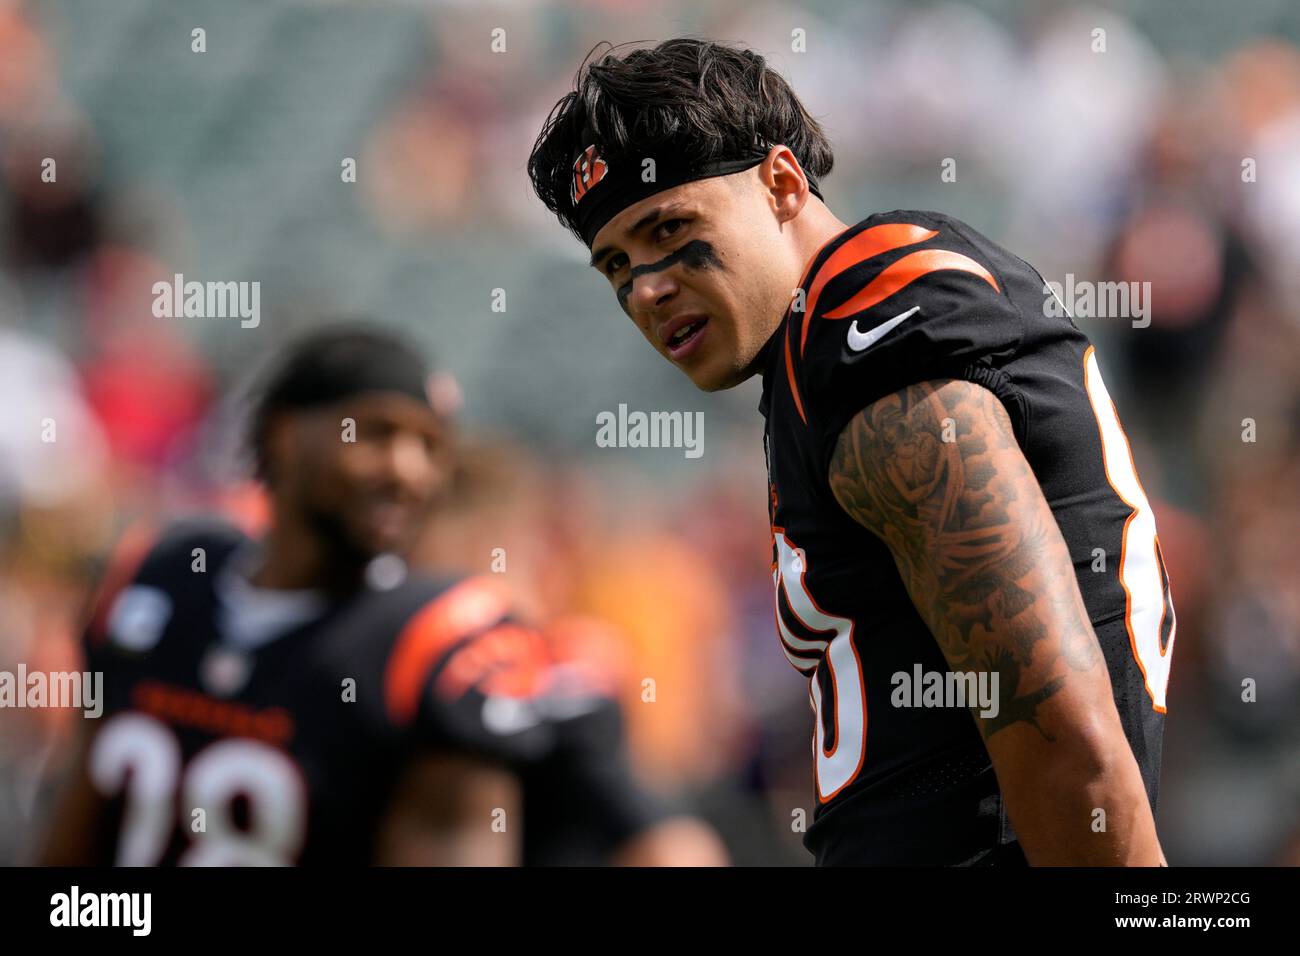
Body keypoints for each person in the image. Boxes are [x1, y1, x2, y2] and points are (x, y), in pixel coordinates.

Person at [527, 39, 1176, 866]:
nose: (646, 286)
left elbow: (1064, 738)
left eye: (671, 227)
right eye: (616, 262)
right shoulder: (813, 353)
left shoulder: (861, 329)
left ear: (782, 184)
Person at [35, 325, 722, 866]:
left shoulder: (438, 640)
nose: (406, 469)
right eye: (375, 432)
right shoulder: (157, 574)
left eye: (429, 446)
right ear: (281, 431)